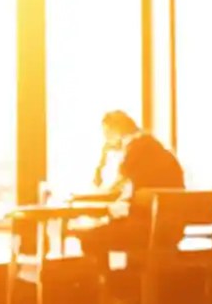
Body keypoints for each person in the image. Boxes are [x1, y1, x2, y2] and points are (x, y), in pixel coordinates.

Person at [72, 110, 185, 273]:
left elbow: (113, 189)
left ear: (115, 130)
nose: (105, 139)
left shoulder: (134, 149)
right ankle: (130, 286)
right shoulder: (159, 150)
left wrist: (103, 158)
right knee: (115, 227)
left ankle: (107, 292)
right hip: (171, 230)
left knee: (89, 238)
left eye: (106, 134)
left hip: (147, 230)